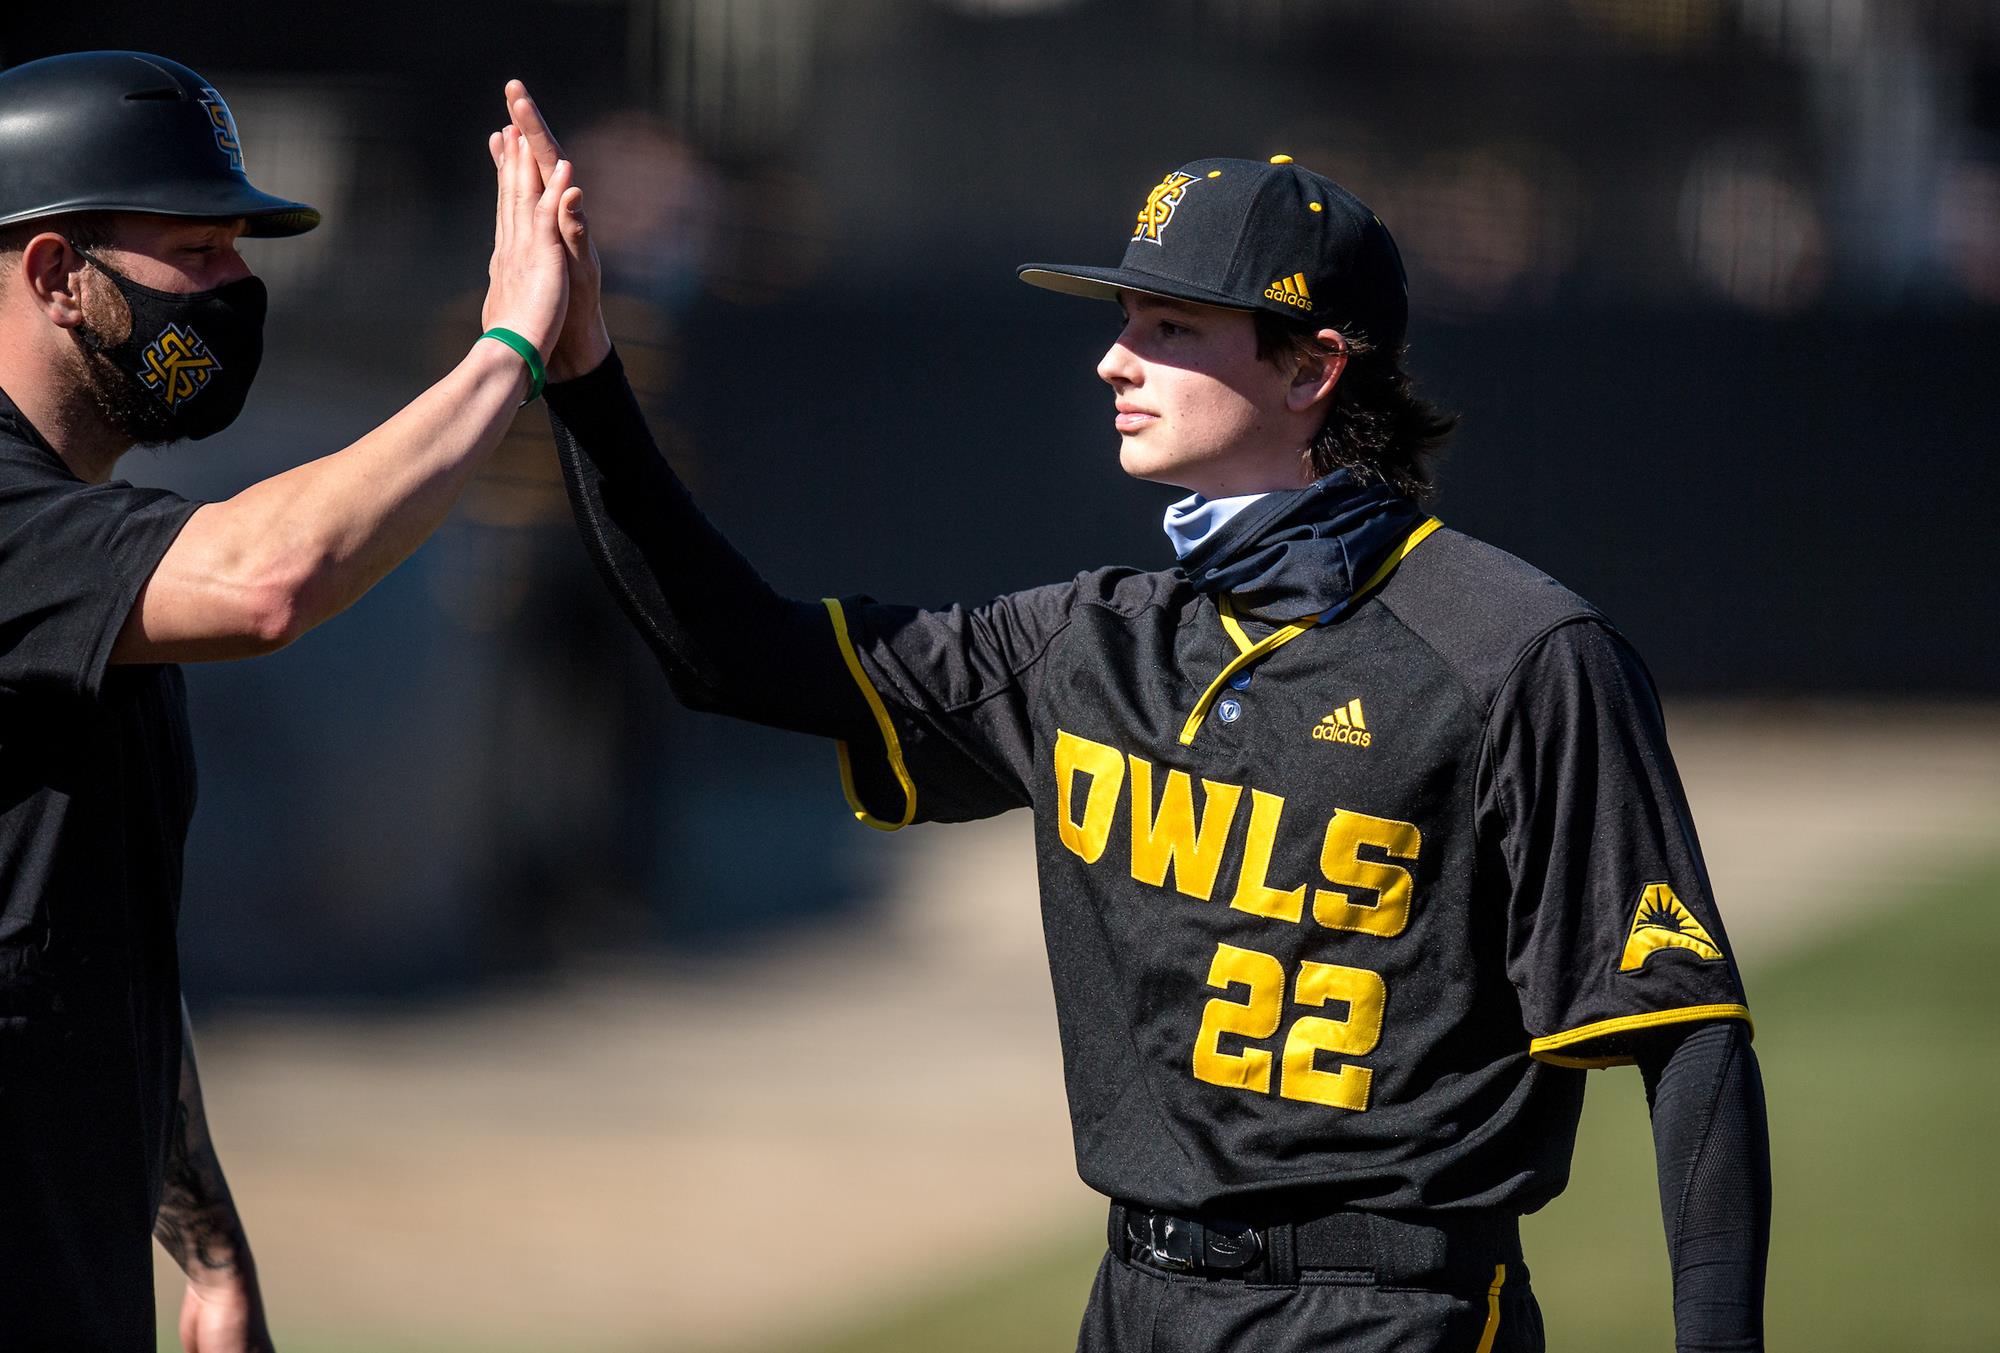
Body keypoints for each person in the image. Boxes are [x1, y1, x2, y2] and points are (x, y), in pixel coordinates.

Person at [510, 85, 1770, 1353]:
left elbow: (1688, 1039)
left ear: (1311, 366)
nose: (1114, 359)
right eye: (1124, 320)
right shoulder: (1090, 642)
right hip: (1135, 1308)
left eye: (1168, 327)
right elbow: (735, 658)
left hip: (1389, 1318)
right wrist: (585, 380)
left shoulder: (1517, 652)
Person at [0, 51, 577, 1349]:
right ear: (53, 276)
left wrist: (203, 1244)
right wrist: (511, 344)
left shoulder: (77, 556)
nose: (235, 285)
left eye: (238, 247)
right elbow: (266, 579)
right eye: (196, 246)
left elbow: (96, 954)